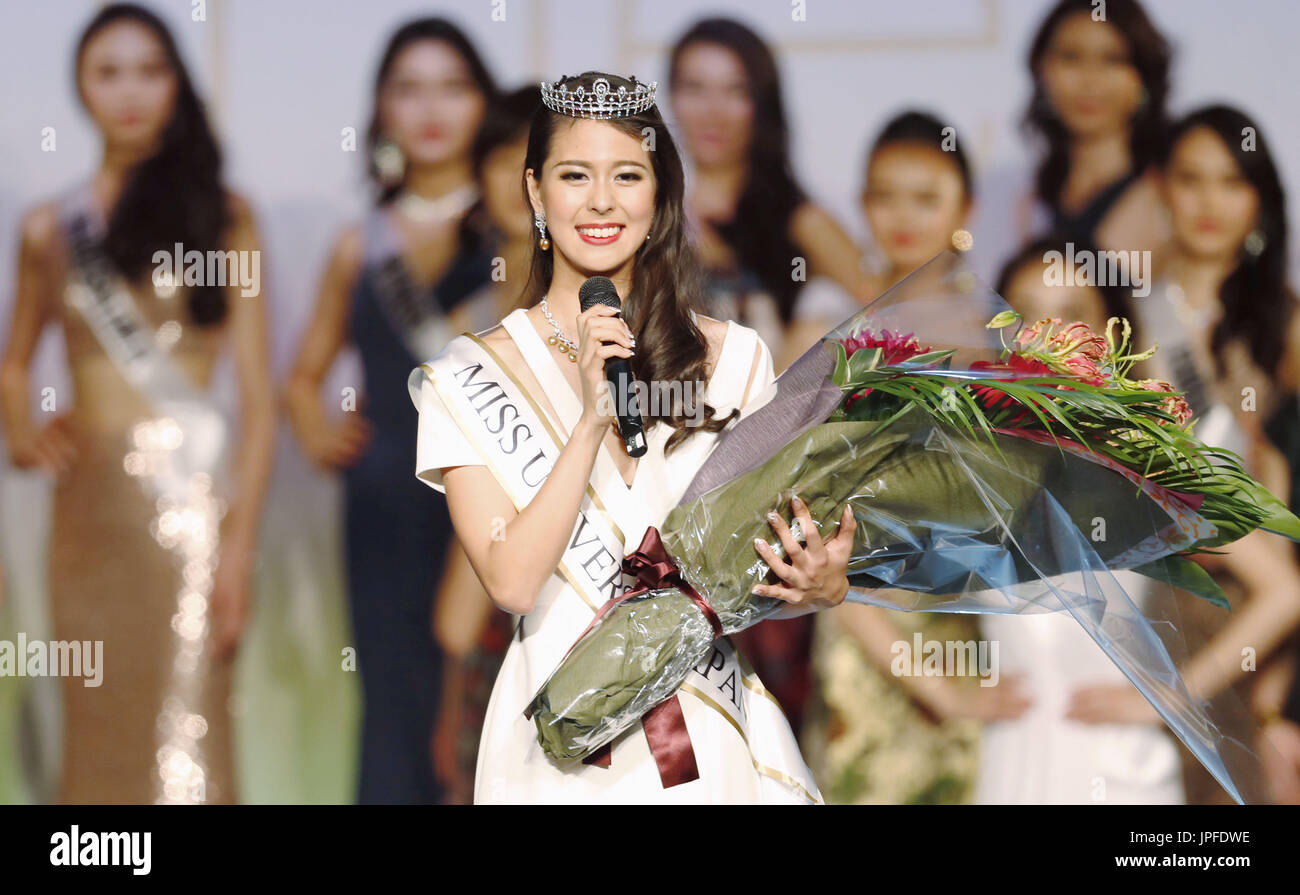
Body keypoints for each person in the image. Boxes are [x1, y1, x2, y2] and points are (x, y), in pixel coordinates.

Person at [410, 71, 854, 804]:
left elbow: (768, 574)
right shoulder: (468, 375)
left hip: (707, 737)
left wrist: (825, 583)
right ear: (534, 192)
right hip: (556, 743)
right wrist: (590, 420)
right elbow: (514, 580)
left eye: (627, 175)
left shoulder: (735, 359)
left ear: (660, 193)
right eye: (574, 175)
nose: (601, 201)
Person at [0, 3, 274, 803]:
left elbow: (257, 402)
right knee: (93, 739)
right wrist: (22, 430)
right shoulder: (50, 228)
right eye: (107, 70)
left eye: (149, 70)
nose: (129, 91)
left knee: (191, 741)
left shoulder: (226, 215)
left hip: (194, 515)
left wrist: (238, 549)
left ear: (176, 82)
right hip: (86, 518)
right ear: (79, 86)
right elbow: (13, 363)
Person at [977, 236, 1300, 803]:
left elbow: (1284, 591)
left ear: (1112, 332)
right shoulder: (969, 454)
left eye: (1072, 315)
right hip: (1008, 760)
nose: (1045, 335)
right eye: (1023, 314)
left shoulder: (1145, 457)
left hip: (1121, 771)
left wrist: (1176, 696)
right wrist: (938, 687)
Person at [283, 17, 497, 804]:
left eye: (453, 85)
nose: (431, 108)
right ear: (380, 109)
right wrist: (312, 420)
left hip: (489, 504)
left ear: (483, 101)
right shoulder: (360, 242)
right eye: (409, 88)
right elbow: (300, 376)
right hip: (381, 509)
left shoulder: (517, 231)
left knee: (483, 695)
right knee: (392, 705)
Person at [798, 111, 1014, 804]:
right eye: (884, 195)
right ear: (860, 204)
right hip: (857, 624)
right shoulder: (825, 329)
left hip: (964, 626)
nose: (903, 216)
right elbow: (797, 506)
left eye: (927, 197)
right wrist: (927, 685)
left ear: (965, 210)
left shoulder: (998, 339)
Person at [428, 85, 539, 804]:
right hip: (486, 622)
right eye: (500, 160)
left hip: (585, 611)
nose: (516, 181)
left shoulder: (622, 313)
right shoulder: (466, 317)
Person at [668, 16, 870, 373]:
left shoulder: (800, 220)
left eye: (735, 90)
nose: (713, 111)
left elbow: (884, 315)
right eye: (695, 88)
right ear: (672, 96)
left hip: (772, 421)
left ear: (761, 103)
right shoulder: (649, 216)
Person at [1019, 0, 1171, 256]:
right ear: (1042, 70)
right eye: (1071, 57)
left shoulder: (1169, 196)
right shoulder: (1026, 202)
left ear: (1143, 77)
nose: (1090, 80)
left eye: (1113, 59)